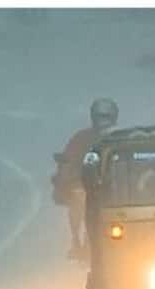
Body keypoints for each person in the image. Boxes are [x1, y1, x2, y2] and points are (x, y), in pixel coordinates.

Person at [53, 98, 119, 259]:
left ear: (114, 117)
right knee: (77, 199)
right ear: (93, 117)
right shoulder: (81, 138)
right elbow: (68, 158)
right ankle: (76, 240)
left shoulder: (119, 137)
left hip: (113, 186)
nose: (103, 121)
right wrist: (63, 176)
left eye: (106, 117)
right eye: (100, 116)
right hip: (84, 185)